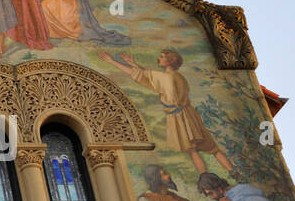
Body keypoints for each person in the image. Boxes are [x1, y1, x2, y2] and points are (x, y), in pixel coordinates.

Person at [98, 49, 232, 175]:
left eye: (162, 57)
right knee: (212, 148)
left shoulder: (165, 77)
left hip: (178, 117)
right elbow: (150, 76)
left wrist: (111, 61)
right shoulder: (177, 76)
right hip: (190, 113)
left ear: (169, 61)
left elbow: (143, 76)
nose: (159, 59)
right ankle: (232, 171)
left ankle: (205, 178)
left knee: (192, 151)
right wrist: (134, 64)